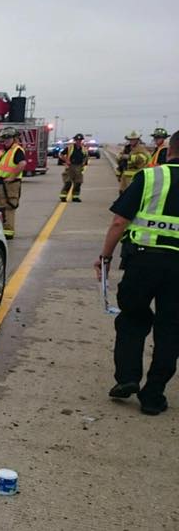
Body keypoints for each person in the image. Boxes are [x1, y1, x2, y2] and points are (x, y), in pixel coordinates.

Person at [95, 131, 179, 415]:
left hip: (143, 262)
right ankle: (153, 395)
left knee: (132, 319)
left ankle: (128, 377)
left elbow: (119, 222)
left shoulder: (152, 177)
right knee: (171, 330)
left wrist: (105, 257)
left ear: (169, 151)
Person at [0, 126, 25, 239]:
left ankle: (9, 232)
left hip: (10, 184)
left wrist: (12, 177)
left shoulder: (17, 150)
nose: (6, 141)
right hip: (3, 183)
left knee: (9, 207)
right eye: (4, 139)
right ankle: (4, 230)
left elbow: (22, 164)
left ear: (14, 139)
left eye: (8, 139)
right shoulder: (8, 151)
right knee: (1, 207)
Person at [59, 133, 89, 202]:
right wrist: (67, 160)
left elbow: (86, 157)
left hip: (79, 167)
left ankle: (75, 197)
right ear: (75, 140)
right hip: (70, 167)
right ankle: (63, 196)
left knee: (78, 183)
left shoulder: (84, 149)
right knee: (68, 182)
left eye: (80, 140)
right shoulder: (70, 147)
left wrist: (83, 163)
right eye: (77, 140)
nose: (79, 141)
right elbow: (61, 154)